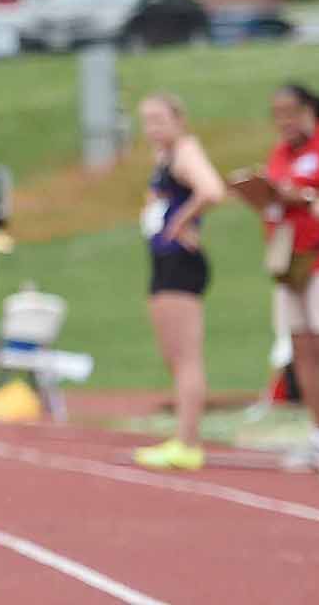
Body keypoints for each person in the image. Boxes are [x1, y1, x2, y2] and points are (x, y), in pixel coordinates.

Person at [130, 93, 225, 471]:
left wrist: (181, 222)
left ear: (179, 119)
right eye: (146, 120)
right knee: (174, 355)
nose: (152, 128)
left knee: (186, 357)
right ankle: (182, 437)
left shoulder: (186, 151)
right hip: (163, 261)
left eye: (159, 119)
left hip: (181, 263)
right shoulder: (164, 157)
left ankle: (188, 442)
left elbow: (213, 190)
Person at [263, 82, 319, 488]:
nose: (284, 121)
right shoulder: (279, 153)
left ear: (310, 108)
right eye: (277, 113)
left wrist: (307, 198)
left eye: (290, 111)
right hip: (289, 261)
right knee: (302, 348)